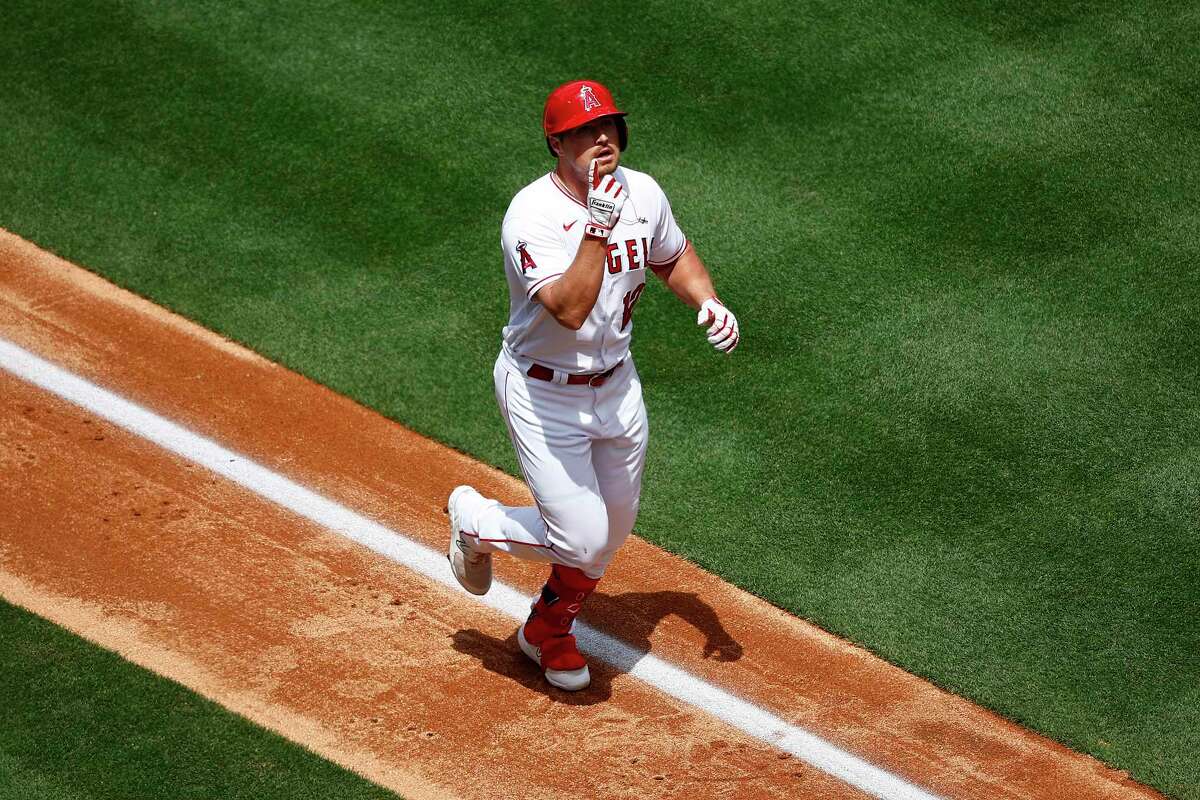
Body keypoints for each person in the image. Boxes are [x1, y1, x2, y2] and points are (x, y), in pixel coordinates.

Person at [446, 79, 740, 691]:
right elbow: (569, 309)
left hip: (617, 385)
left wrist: (707, 301)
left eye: (608, 125)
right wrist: (597, 230)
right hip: (542, 391)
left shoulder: (643, 193)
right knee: (579, 537)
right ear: (556, 142)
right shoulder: (533, 213)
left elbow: (672, 255)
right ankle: (474, 521)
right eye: (583, 130)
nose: (600, 138)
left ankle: (544, 632)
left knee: (612, 530)